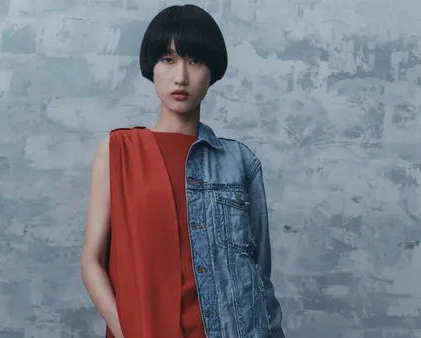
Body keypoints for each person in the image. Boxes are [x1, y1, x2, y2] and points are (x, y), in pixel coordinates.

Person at [81, 4, 285, 338]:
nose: (181, 77)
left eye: (195, 61)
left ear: (212, 71)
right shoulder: (119, 151)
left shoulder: (240, 161)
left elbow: (260, 277)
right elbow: (91, 262)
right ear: (152, 66)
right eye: (168, 59)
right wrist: (128, 331)